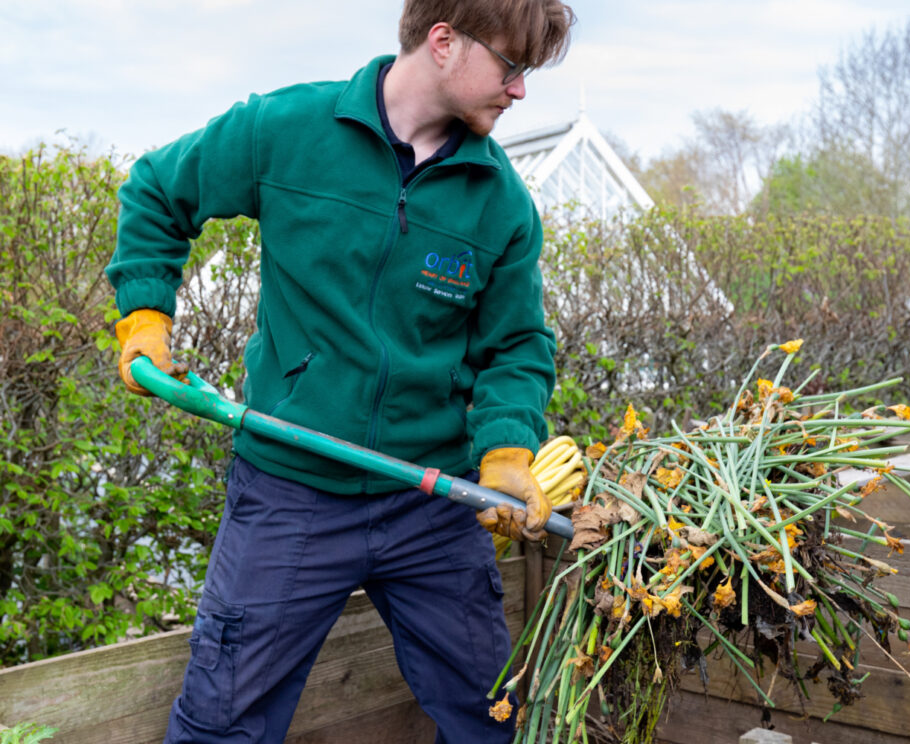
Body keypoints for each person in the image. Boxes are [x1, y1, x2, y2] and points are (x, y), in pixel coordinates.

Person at [105, 1, 576, 742]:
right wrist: (145, 315)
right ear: (444, 42)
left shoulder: (500, 202)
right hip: (291, 490)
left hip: (431, 501)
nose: (520, 90)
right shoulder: (286, 130)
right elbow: (158, 191)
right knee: (222, 724)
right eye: (512, 67)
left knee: (492, 720)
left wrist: (508, 450)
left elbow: (516, 346)